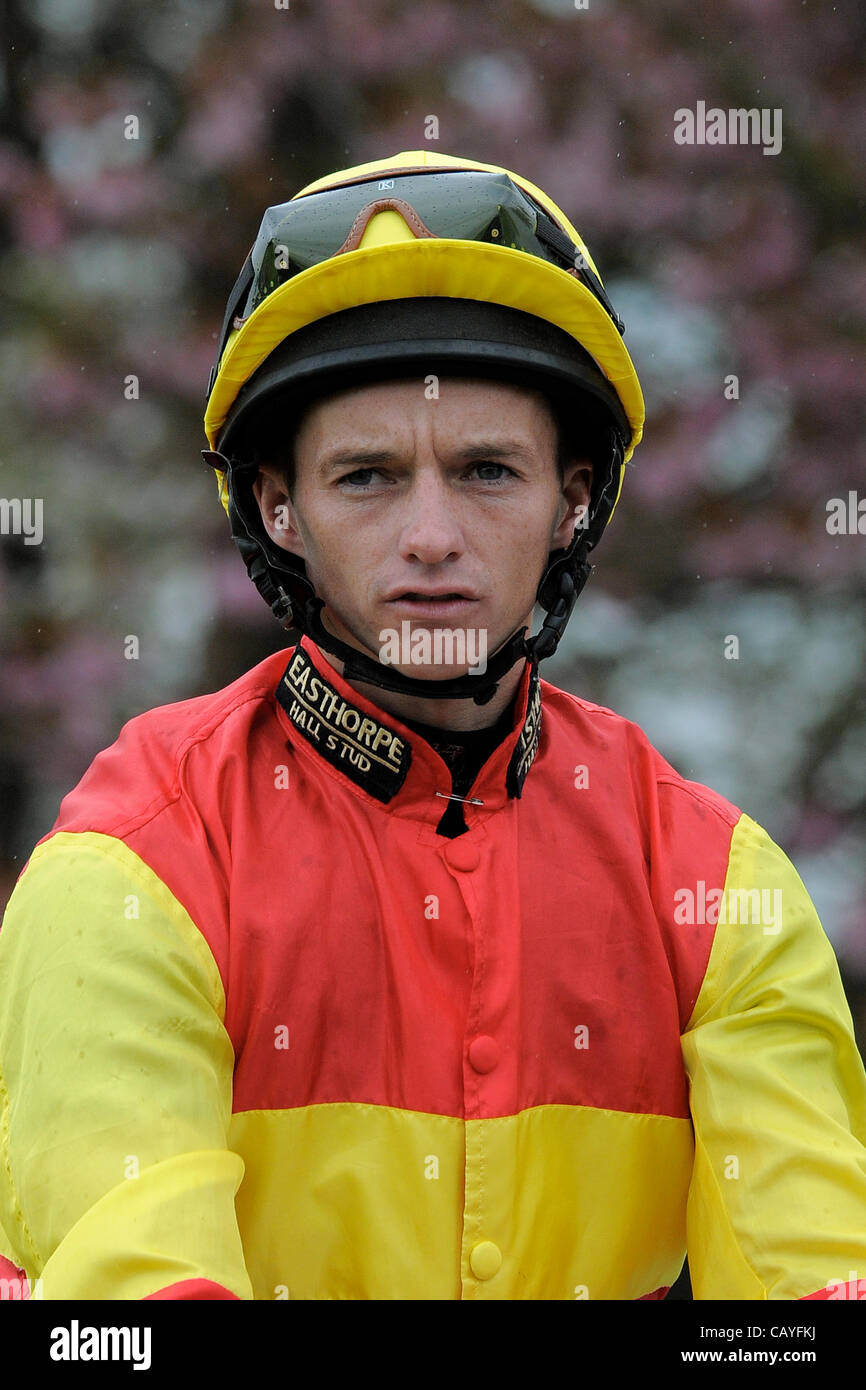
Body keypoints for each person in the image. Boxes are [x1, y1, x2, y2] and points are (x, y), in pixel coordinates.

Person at [1, 149, 865, 1302]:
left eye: (485, 471)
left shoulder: (718, 884)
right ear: (277, 509)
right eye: (365, 476)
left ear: (572, 500)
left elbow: (811, 1297)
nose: (429, 535)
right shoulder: (129, 861)